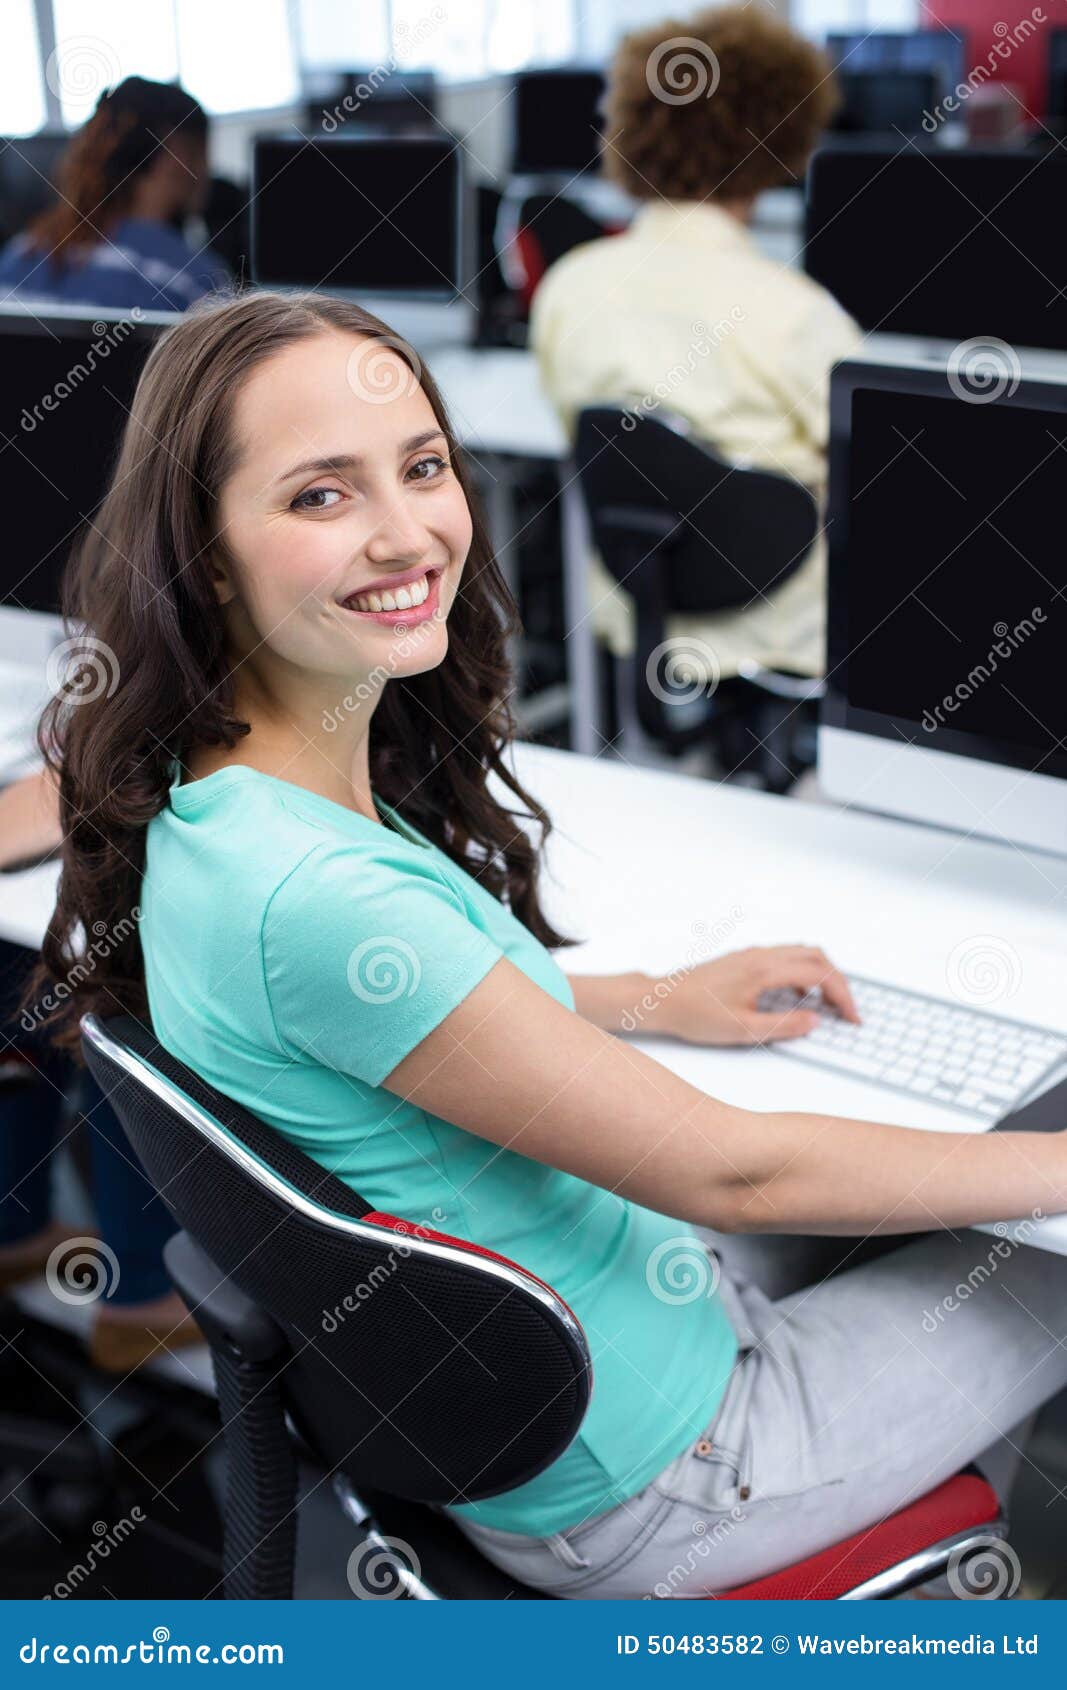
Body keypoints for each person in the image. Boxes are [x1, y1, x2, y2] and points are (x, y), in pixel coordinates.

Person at [23, 288, 1067, 1598]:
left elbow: (402, 1013)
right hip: (665, 1474)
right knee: (1040, 1248)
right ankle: (913, 1588)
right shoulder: (317, 894)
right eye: (320, 495)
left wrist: (645, 996)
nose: (409, 533)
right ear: (206, 549)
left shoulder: (218, 797)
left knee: (975, 1171)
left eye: (420, 467)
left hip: (569, 1368)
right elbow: (728, 1176)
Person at [530, 6, 862, 687]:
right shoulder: (794, 311)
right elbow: (871, 460)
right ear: (781, 135)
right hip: (784, 627)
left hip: (637, 604)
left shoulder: (569, 284)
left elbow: (577, 424)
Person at [0, 770, 202, 1371]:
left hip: (35, 810)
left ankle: (16, 1233)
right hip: (54, 810)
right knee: (116, 1029)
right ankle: (141, 1295)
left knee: (32, 1027)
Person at [0, 77, 229, 314]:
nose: (207, 171)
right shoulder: (196, 282)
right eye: (203, 154)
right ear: (176, 157)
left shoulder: (18, 255)